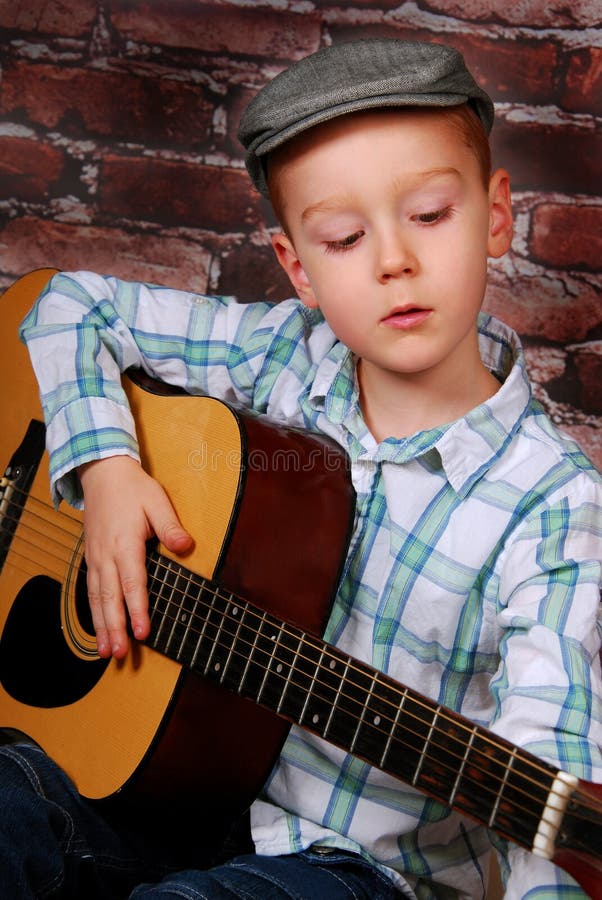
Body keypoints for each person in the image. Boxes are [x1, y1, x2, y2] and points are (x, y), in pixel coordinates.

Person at [6, 38, 602, 900]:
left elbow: (551, 751)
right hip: (178, 786)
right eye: (344, 236)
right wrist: (103, 472)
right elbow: (67, 304)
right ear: (299, 268)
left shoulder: (553, 506)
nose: (393, 259)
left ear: (497, 214)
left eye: (430, 214)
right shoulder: (291, 355)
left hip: (361, 870)